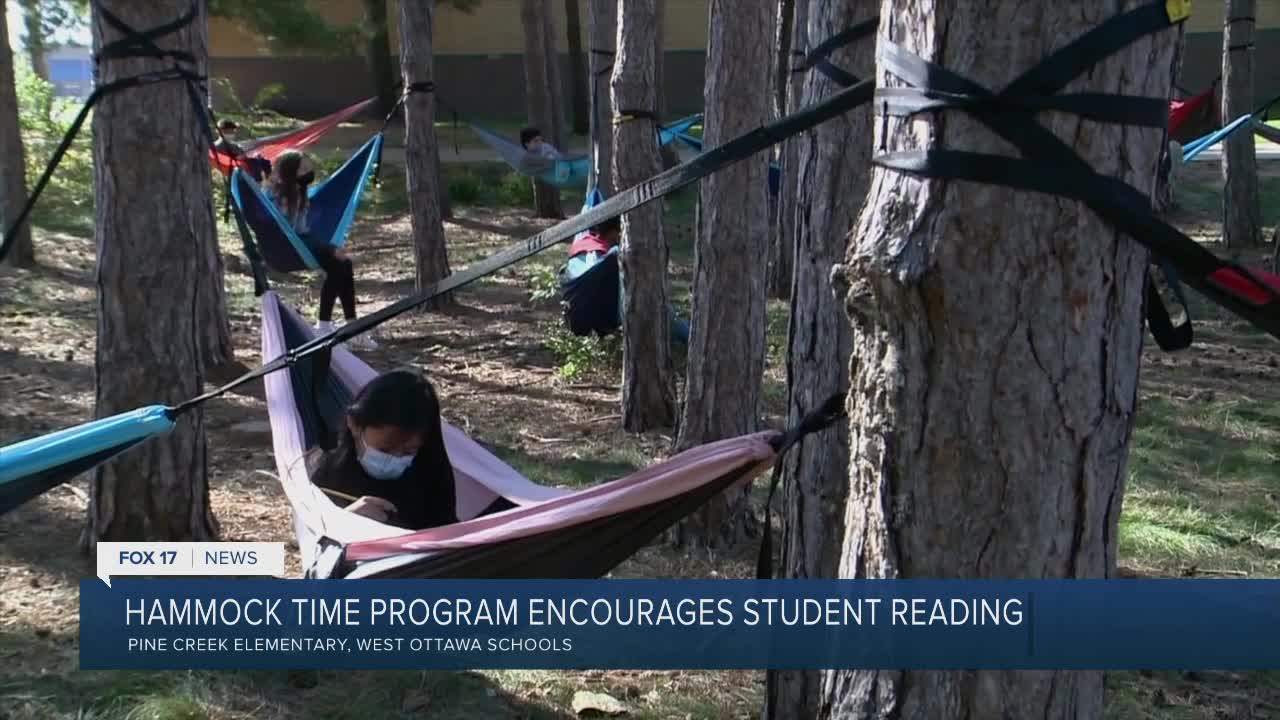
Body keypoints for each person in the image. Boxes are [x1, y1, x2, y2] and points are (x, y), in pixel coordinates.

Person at [306, 370, 458, 530]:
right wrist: (346, 520)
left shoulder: (431, 471)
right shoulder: (328, 472)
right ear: (354, 425)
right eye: (385, 450)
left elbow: (446, 529)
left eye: (408, 452)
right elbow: (311, 533)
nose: (395, 459)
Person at [270, 150, 376, 350]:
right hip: (289, 247)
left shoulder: (299, 192)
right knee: (337, 265)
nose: (307, 172)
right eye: (302, 169)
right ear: (290, 171)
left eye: (308, 168)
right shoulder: (282, 196)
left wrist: (330, 248)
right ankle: (324, 326)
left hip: (302, 243)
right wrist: (329, 250)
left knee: (344, 264)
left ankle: (352, 326)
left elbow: (303, 231)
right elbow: (288, 233)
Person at [561, 216, 691, 344]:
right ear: (614, 233)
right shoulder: (609, 260)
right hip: (599, 319)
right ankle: (688, 333)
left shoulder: (582, 243)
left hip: (576, 321)